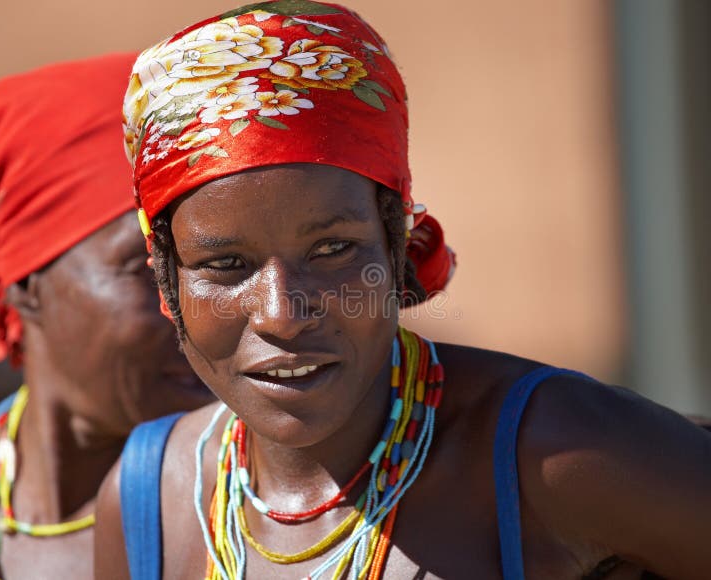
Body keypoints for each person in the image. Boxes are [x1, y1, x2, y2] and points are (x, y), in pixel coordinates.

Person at [94, 2, 711, 578]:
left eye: (332, 250)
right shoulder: (150, 501)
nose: (282, 314)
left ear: (397, 246)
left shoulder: (555, 454)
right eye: (227, 264)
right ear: (167, 280)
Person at [0, 54, 216, 580]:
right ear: (26, 283)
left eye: (221, 266)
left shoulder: (246, 525)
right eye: (149, 269)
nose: (206, 311)